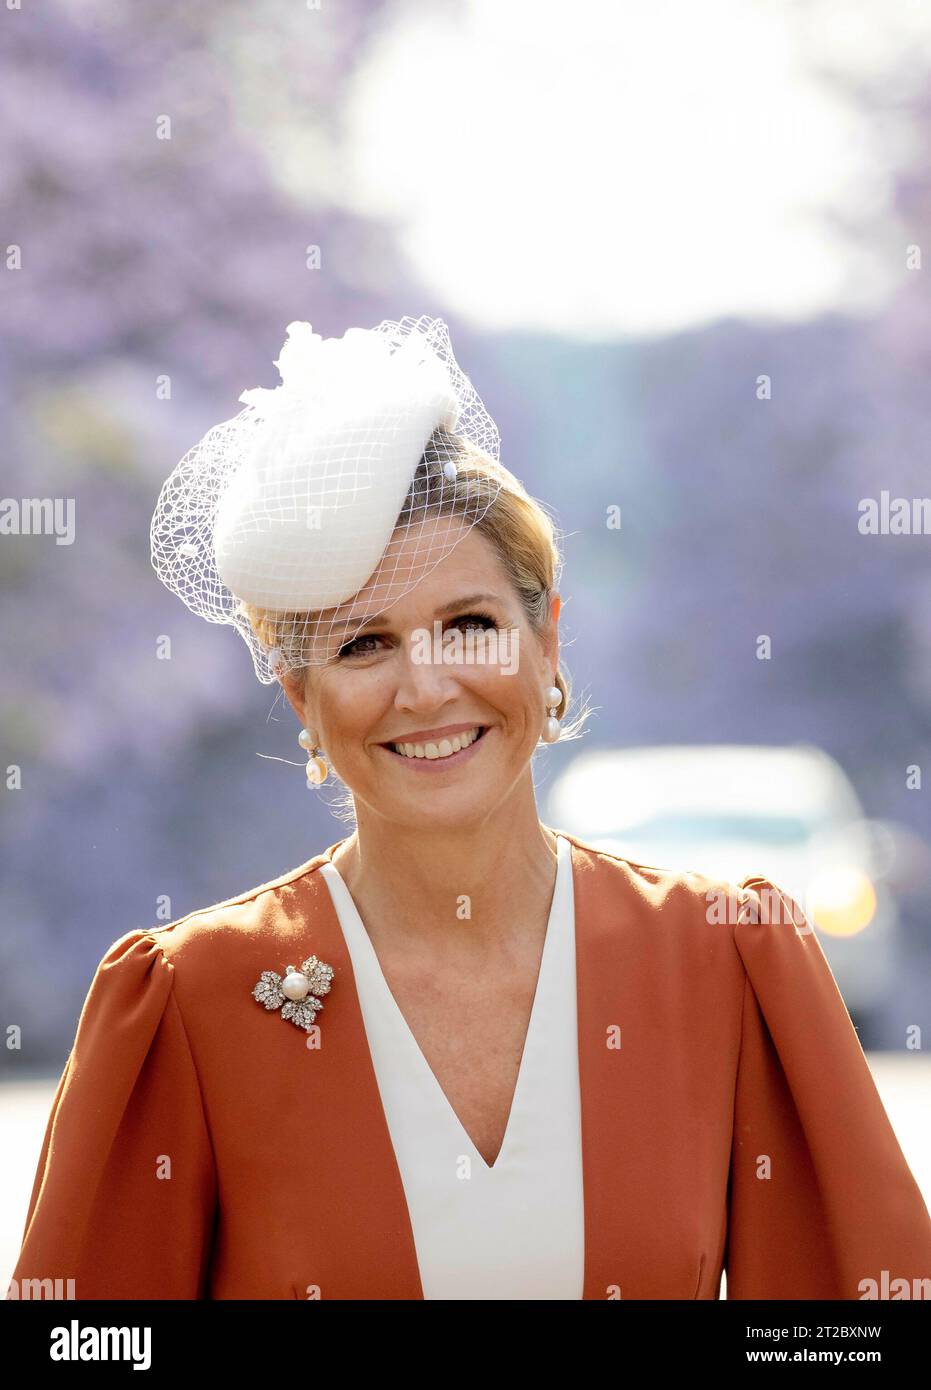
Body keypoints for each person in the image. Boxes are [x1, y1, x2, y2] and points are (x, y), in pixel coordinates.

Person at [10, 318, 931, 1301]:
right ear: (299, 699)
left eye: (469, 624)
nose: (427, 687)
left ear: (547, 646)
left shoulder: (727, 960)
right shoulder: (188, 1004)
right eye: (364, 644)